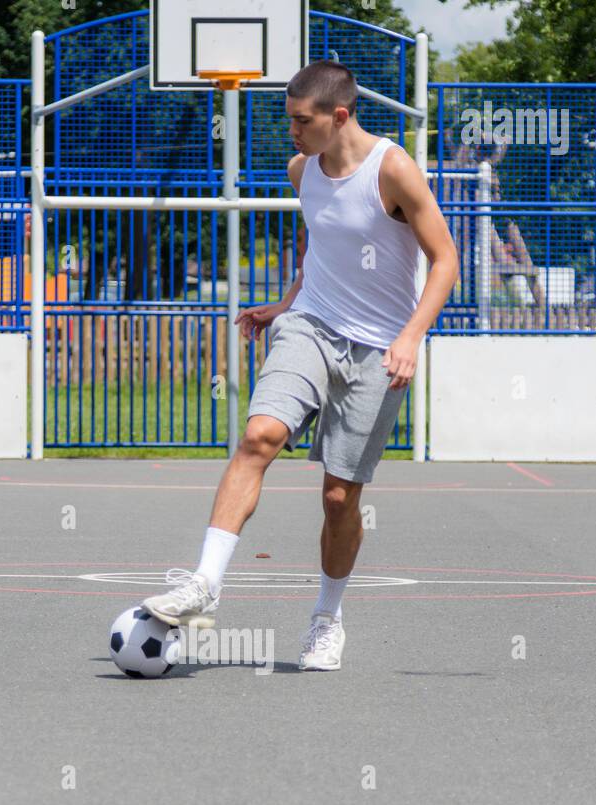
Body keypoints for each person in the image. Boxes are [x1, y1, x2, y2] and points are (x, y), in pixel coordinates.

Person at [143, 61, 459, 670]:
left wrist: (411, 337)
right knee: (260, 436)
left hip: (377, 348)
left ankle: (326, 617)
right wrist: (284, 305)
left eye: (301, 120)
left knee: (340, 499)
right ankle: (206, 582)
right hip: (309, 327)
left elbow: (444, 259)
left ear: (339, 116)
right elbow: (322, 243)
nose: (291, 131)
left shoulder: (393, 169)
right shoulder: (302, 171)